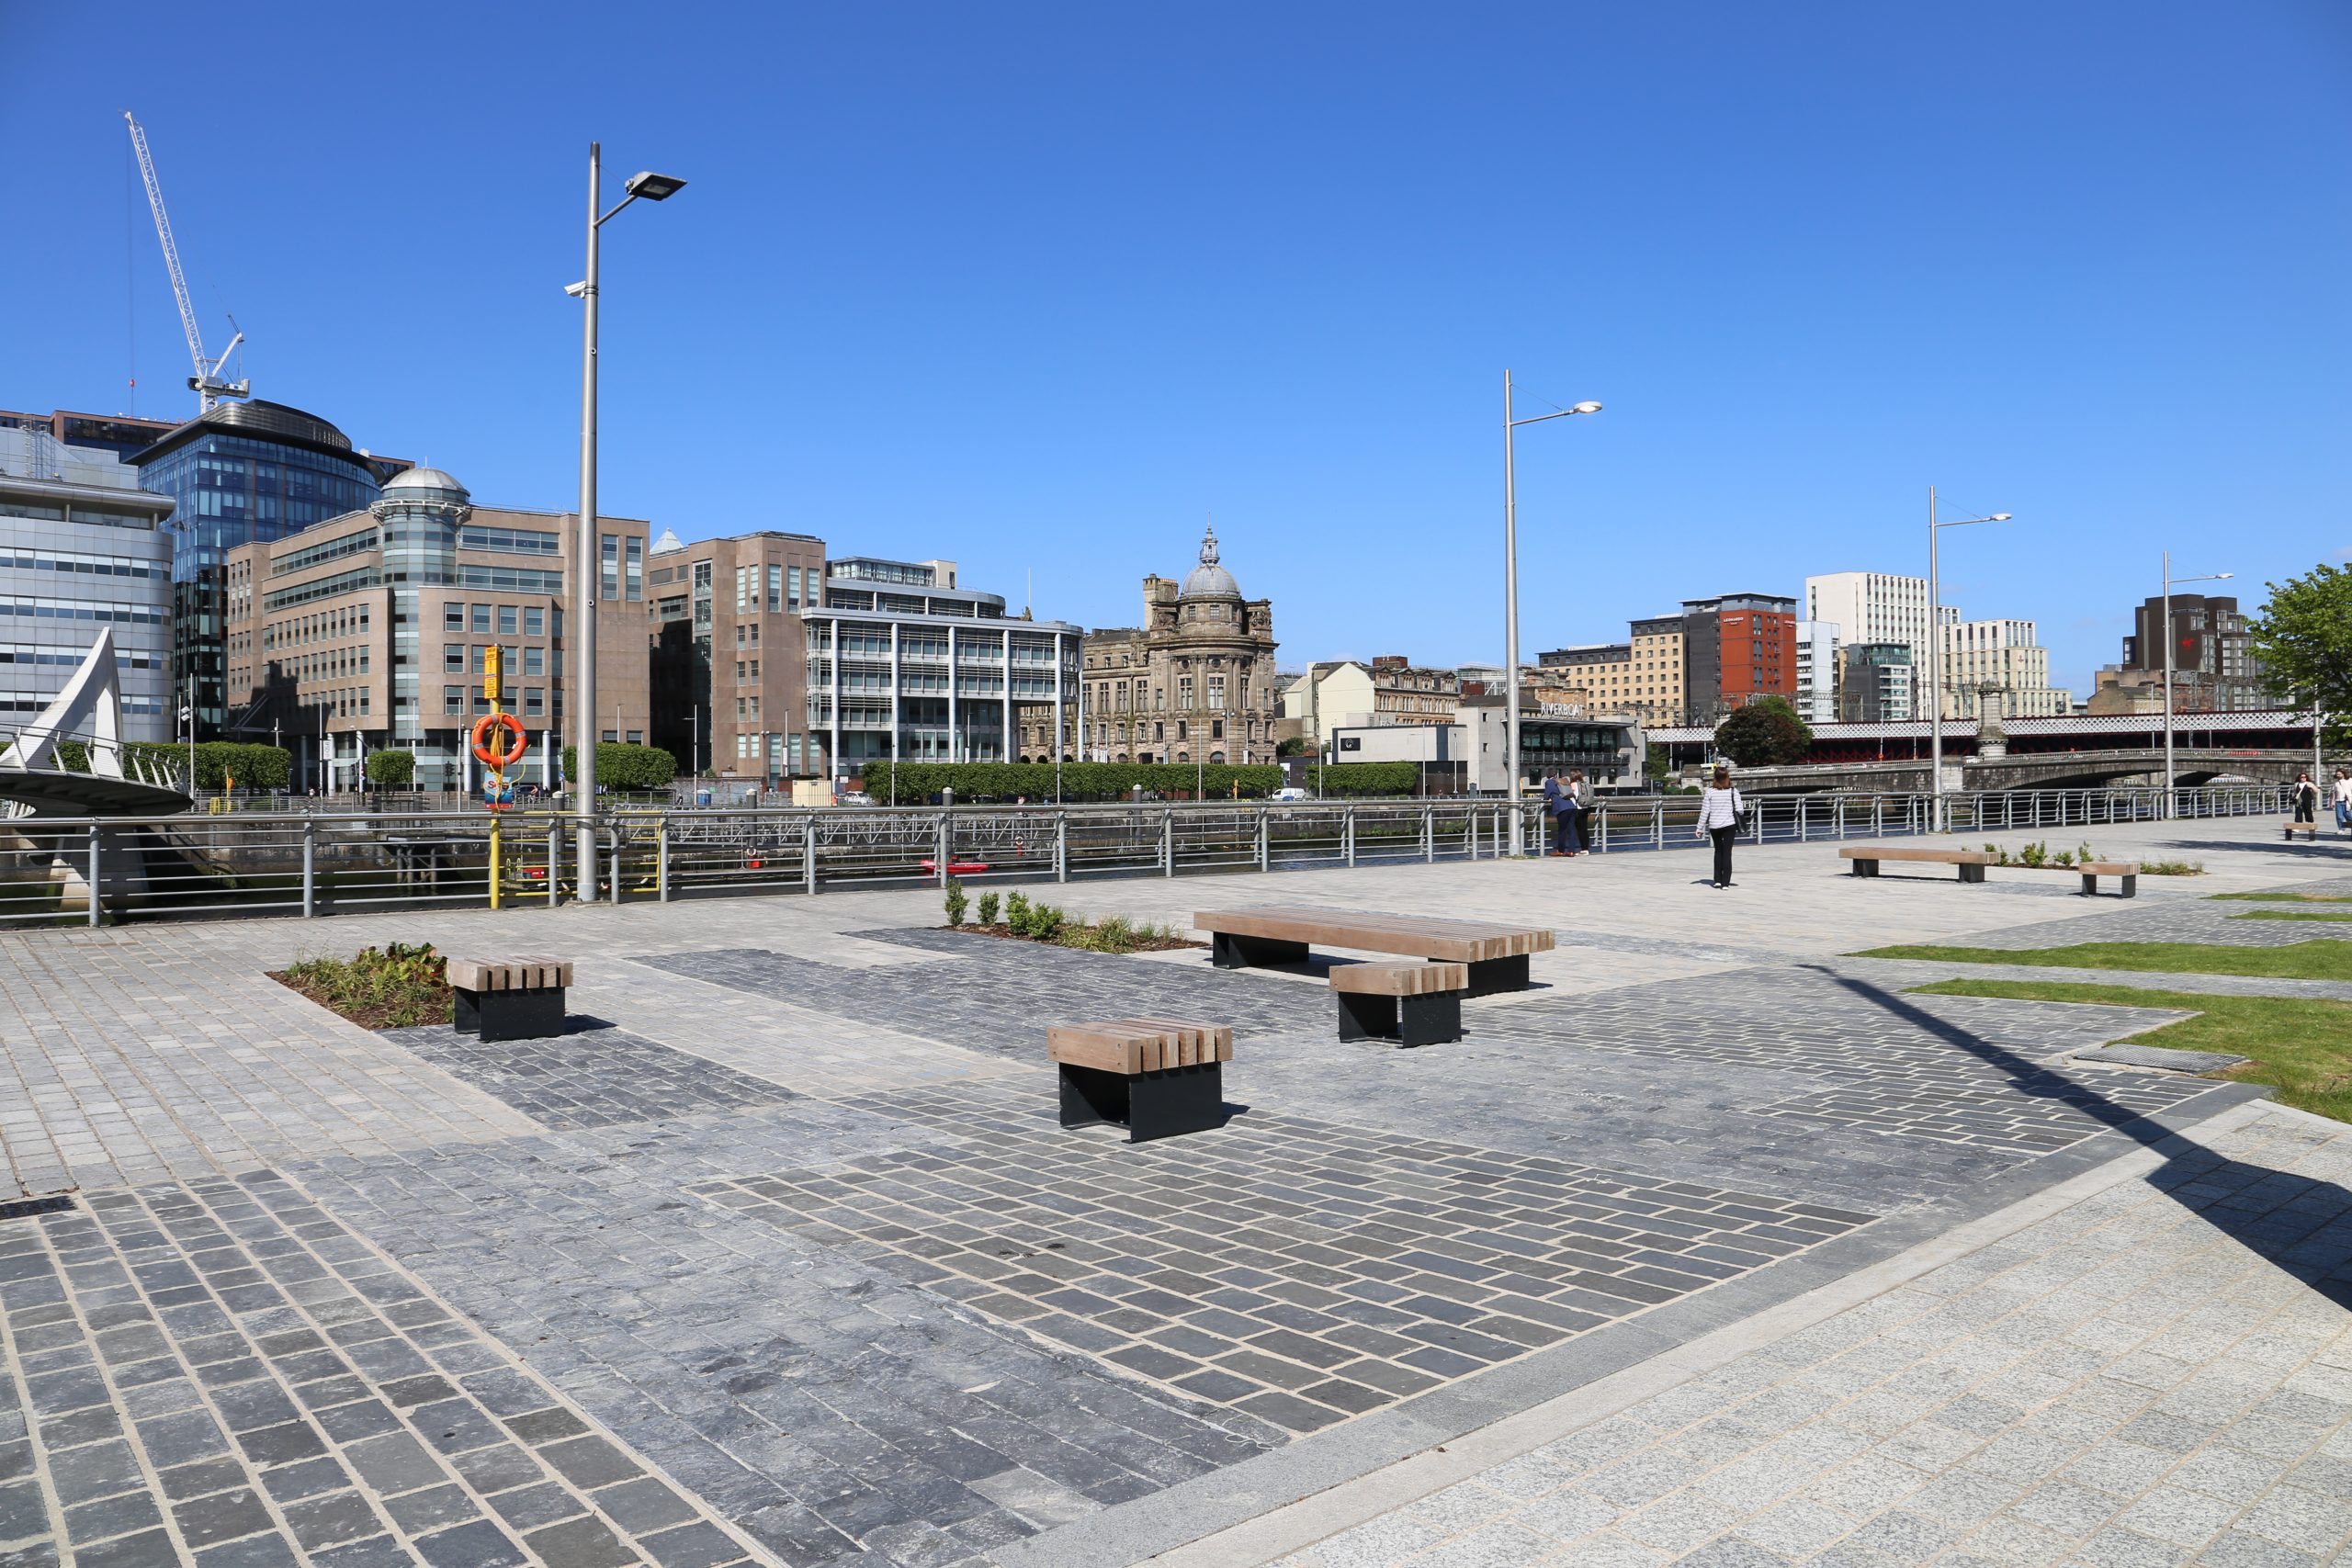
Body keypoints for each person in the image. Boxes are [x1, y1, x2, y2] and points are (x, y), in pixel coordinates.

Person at [1694, 764, 1744, 887]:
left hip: (1714, 825)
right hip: (1729, 825)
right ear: (1727, 777)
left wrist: (1699, 828)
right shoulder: (1733, 791)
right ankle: (1725, 883)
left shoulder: (1710, 792)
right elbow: (1740, 810)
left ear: (1715, 778)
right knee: (1727, 853)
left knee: (1718, 851)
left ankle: (1717, 880)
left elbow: (1705, 811)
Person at [1542, 772, 1571, 856]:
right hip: (1571, 806)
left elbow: (1546, 795)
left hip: (1562, 807)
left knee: (1562, 830)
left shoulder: (1550, 782)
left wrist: (1547, 798)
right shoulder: (1562, 780)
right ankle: (1571, 850)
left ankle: (1560, 851)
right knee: (1571, 830)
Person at [1567, 769, 1592, 854]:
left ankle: (1583, 849)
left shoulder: (1572, 785)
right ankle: (1585, 848)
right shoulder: (1585, 784)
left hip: (1578, 808)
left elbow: (1569, 796)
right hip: (1586, 807)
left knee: (1579, 830)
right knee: (1584, 829)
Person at [2335, 767, 2350, 832]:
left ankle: (2346, 826)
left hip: (2346, 801)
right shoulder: (2336, 783)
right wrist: (2332, 802)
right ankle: (2341, 829)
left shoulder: (2349, 781)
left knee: (2348, 816)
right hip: (2338, 801)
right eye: (2337, 774)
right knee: (2339, 816)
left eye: (2339, 774)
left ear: (2343, 774)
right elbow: (2335, 793)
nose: (2338, 775)